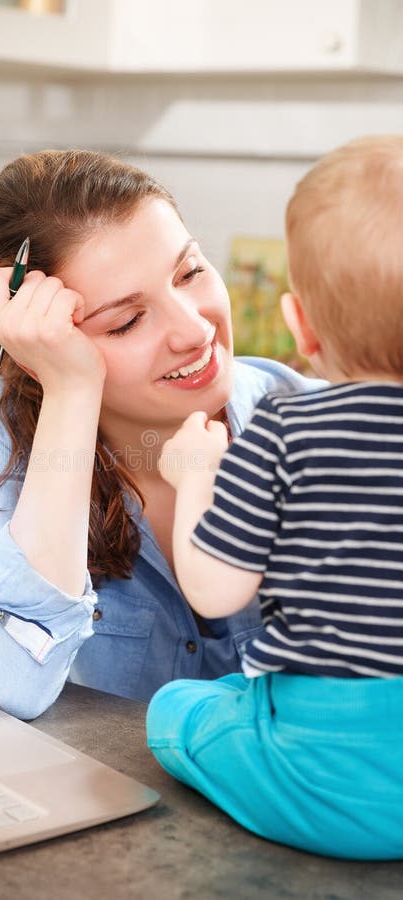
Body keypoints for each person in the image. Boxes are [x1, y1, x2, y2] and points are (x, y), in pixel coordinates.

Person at [0, 149, 319, 722]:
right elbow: (12, 681)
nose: (194, 330)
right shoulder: (3, 425)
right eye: (126, 321)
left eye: (190, 272)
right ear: (40, 346)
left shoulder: (308, 417)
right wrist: (71, 393)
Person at [147, 135, 403, 860]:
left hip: (317, 774)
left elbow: (216, 589)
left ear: (301, 326)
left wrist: (198, 474)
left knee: (177, 712)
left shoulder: (287, 428)